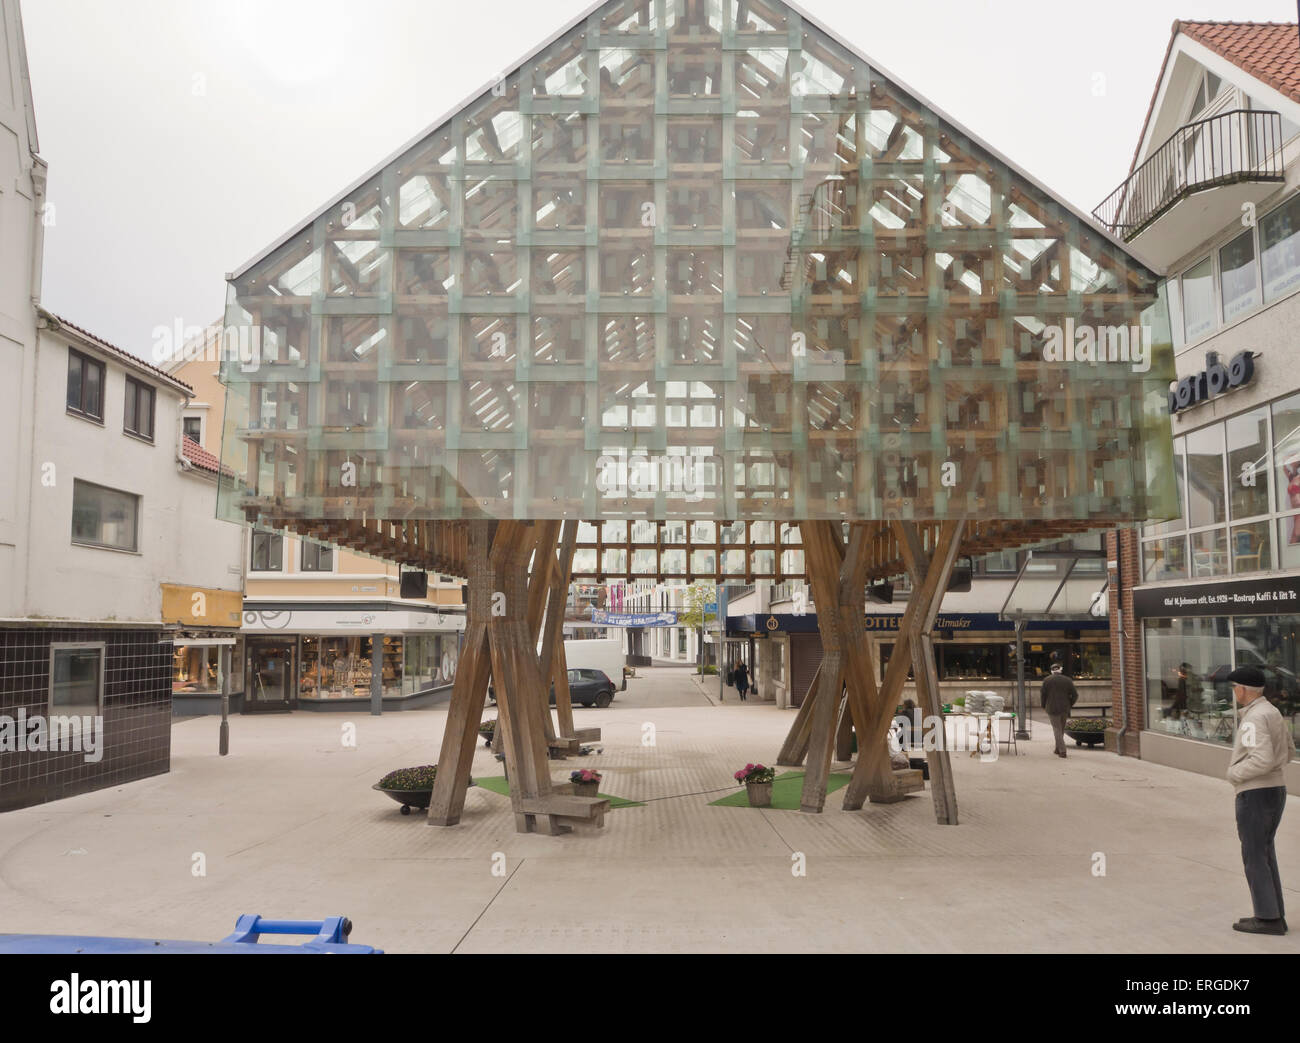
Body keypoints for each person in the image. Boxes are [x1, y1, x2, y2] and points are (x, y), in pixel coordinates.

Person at [1227, 665, 1295, 935]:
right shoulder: (1273, 712)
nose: (1233, 692)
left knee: (1254, 854)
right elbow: (1288, 751)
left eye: (1234, 688)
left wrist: (1234, 774)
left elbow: (1262, 758)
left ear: (1243, 689)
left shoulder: (1255, 718)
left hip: (1255, 793)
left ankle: (1267, 919)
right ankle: (1273, 915)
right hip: (1275, 790)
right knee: (1264, 853)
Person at [1040, 658, 1078, 758]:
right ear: (1060, 670)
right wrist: (1070, 704)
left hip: (1052, 707)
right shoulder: (1067, 680)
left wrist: (1043, 705)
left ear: (1051, 670)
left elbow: (1043, 695)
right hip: (1065, 707)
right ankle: (1057, 748)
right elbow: (1075, 695)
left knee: (1057, 729)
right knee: (1060, 729)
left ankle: (1062, 750)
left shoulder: (1046, 680)